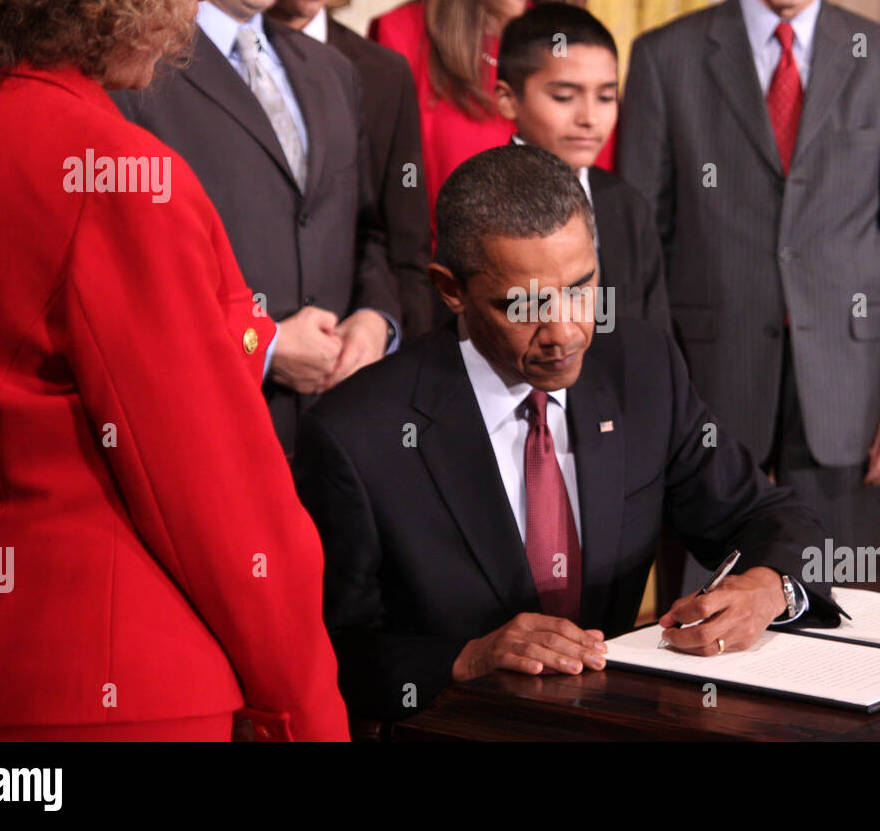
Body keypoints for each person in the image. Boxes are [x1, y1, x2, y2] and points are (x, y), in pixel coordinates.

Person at [0, 0, 348, 740]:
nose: (191, 7)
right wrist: (308, 716)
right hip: (110, 692)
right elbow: (222, 509)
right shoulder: (116, 178)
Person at [294, 145, 844, 721]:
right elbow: (330, 652)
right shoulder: (357, 435)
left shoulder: (642, 367)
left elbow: (768, 515)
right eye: (524, 306)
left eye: (581, 287)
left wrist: (767, 585)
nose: (564, 331)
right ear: (450, 288)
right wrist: (469, 658)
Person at [619, 0, 880, 557]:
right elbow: (641, 246)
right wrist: (650, 393)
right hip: (706, 384)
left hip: (848, 387)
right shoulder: (663, 57)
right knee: (697, 602)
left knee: (840, 599)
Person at [115, 0, 401, 457]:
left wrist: (377, 320)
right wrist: (262, 345)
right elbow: (129, 275)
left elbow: (368, 229)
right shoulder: (136, 68)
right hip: (209, 436)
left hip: (339, 438)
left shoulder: (332, 71)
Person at [369, 0, 613, 244]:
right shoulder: (401, 34)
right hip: (437, 284)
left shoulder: (576, 48)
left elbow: (600, 192)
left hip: (556, 287)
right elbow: (383, 200)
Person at [268, 0, 437, 341]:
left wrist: (388, 340)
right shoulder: (218, 59)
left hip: (358, 359)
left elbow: (406, 245)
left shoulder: (383, 74)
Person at [496, 2, 671, 332]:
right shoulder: (481, 205)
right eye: (564, 96)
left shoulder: (627, 205)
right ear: (508, 99)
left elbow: (655, 340)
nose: (589, 118)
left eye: (606, 98)